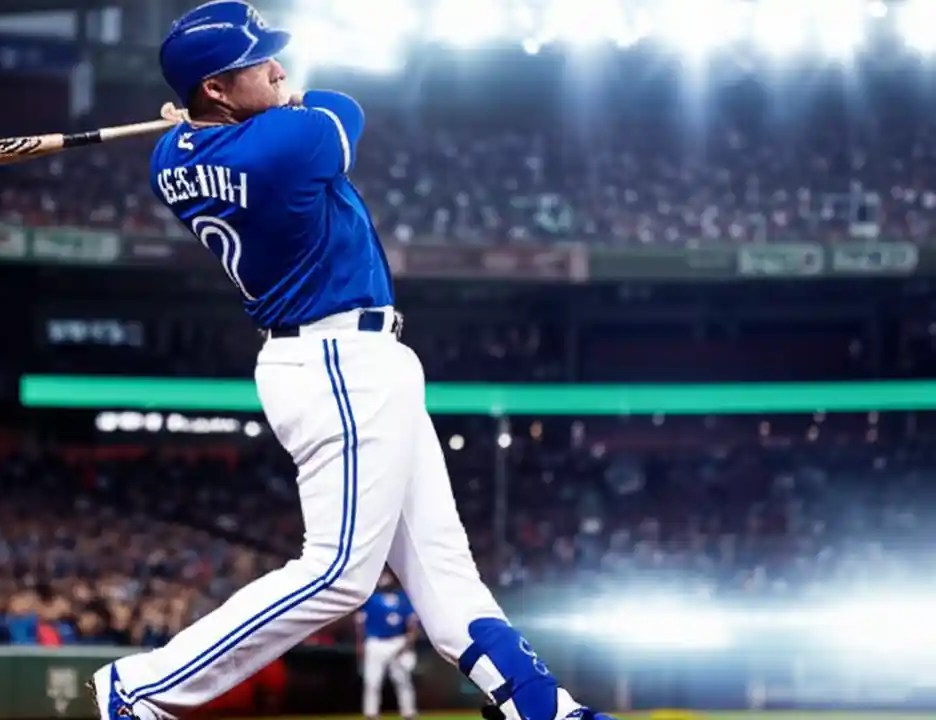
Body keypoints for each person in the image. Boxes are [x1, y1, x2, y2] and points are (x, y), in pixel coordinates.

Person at [90, 3, 618, 720]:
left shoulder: (168, 160)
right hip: (336, 359)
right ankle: (141, 688)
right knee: (340, 573)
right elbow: (343, 108)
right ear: (214, 87)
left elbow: (213, 137)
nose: (279, 70)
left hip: (347, 359)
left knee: (443, 570)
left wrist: (211, 120)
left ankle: (540, 707)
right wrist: (275, 106)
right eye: (260, 63)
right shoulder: (288, 140)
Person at [357, 571, 418, 720]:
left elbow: (412, 624)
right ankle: (371, 713)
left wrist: (408, 643)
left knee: (402, 680)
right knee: (372, 680)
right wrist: (360, 644)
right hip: (375, 642)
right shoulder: (369, 599)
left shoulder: (403, 599)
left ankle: (408, 712)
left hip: (397, 642)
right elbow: (360, 625)